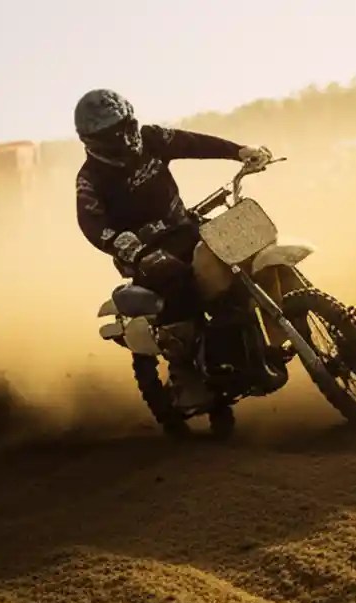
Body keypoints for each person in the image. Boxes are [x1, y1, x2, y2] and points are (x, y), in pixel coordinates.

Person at [73, 88, 273, 411]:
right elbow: (90, 222)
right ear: (93, 140)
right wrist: (120, 243)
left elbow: (193, 143)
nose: (124, 137)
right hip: (143, 251)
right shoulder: (90, 179)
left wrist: (240, 152)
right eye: (113, 133)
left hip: (184, 228)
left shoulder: (151, 138)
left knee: (241, 245)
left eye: (125, 125)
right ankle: (185, 373)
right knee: (177, 280)